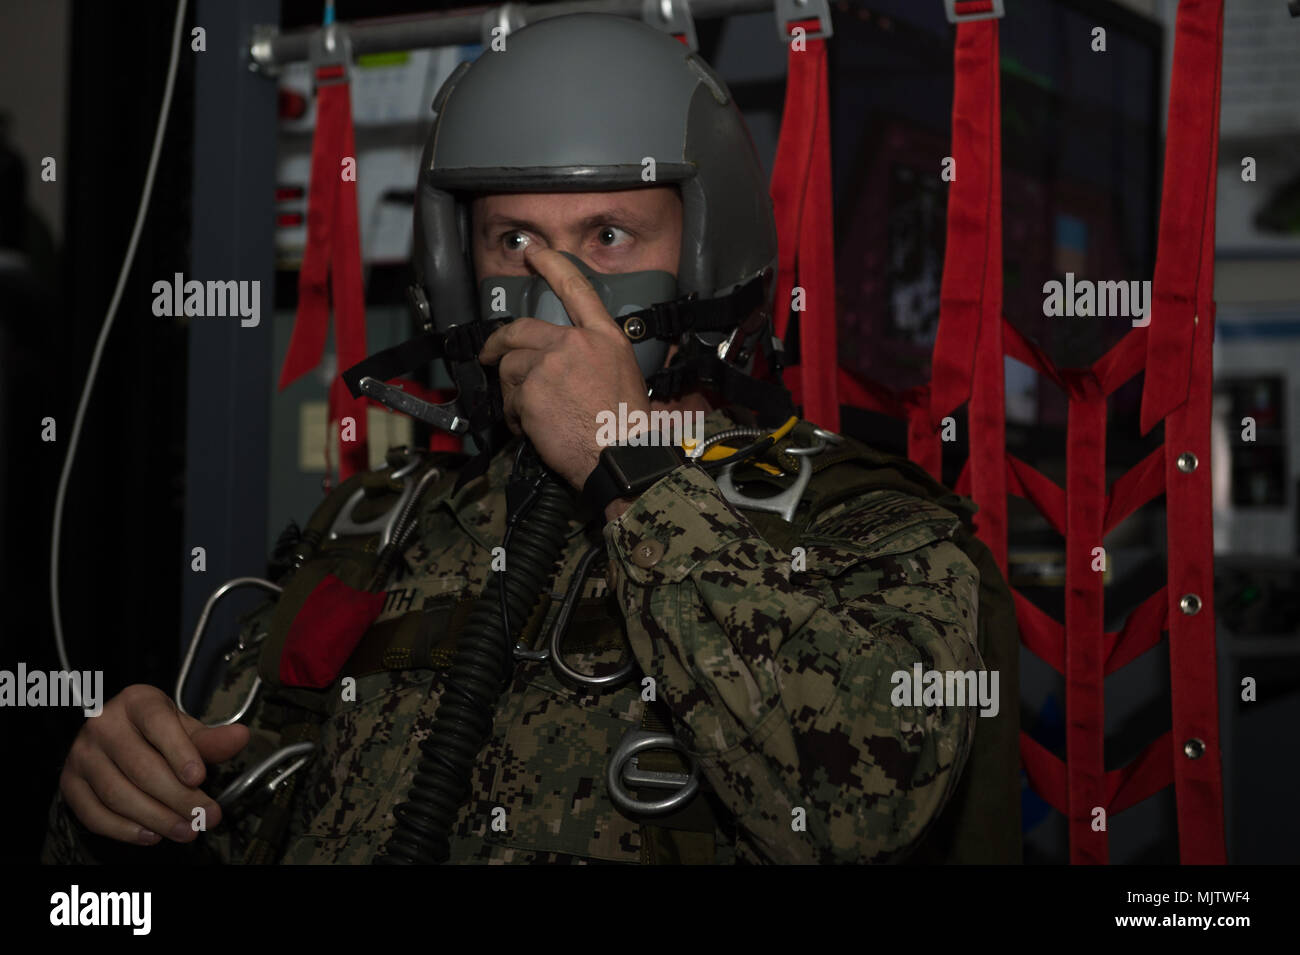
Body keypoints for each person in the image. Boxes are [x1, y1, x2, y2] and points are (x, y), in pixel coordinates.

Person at [43, 13, 1016, 865]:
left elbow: (858, 814)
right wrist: (120, 804)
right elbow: (227, 813)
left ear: (710, 253)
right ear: (454, 268)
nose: (552, 284)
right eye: (512, 238)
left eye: (607, 237)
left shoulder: (868, 532)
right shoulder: (379, 526)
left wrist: (623, 456)